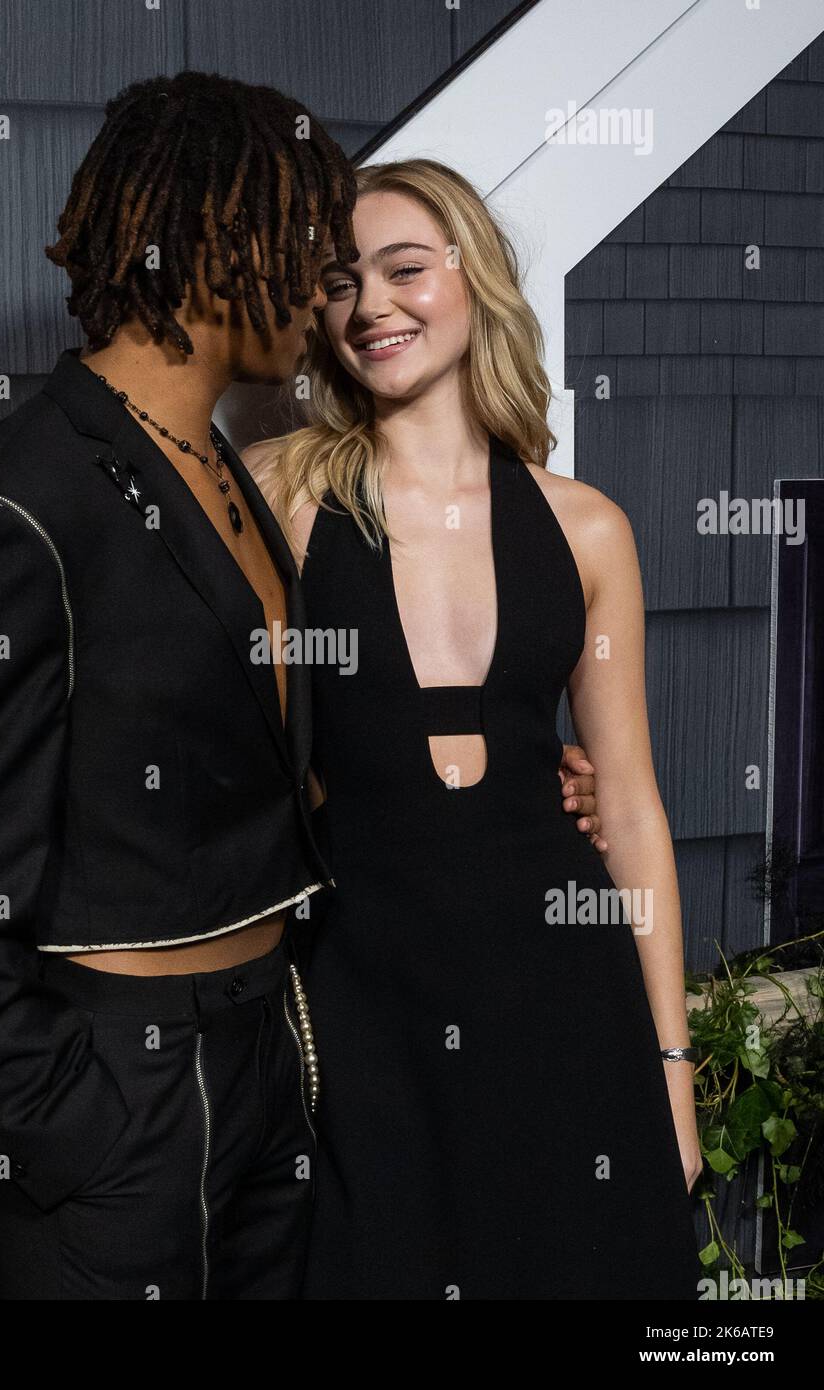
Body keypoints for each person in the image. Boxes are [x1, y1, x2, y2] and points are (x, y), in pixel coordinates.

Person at [0, 73, 596, 1301]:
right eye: (310, 247)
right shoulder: (20, 505)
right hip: (121, 1099)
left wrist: (522, 779)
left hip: (281, 1052)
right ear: (216, 247)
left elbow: (271, 754)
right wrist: (73, 1130)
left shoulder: (229, 474)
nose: (329, 284)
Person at [245, 158, 703, 1300]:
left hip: (567, 1008)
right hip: (367, 1012)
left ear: (476, 280)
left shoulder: (586, 527)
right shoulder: (277, 501)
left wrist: (670, 1076)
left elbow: (633, 810)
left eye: (404, 270)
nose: (371, 307)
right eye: (340, 284)